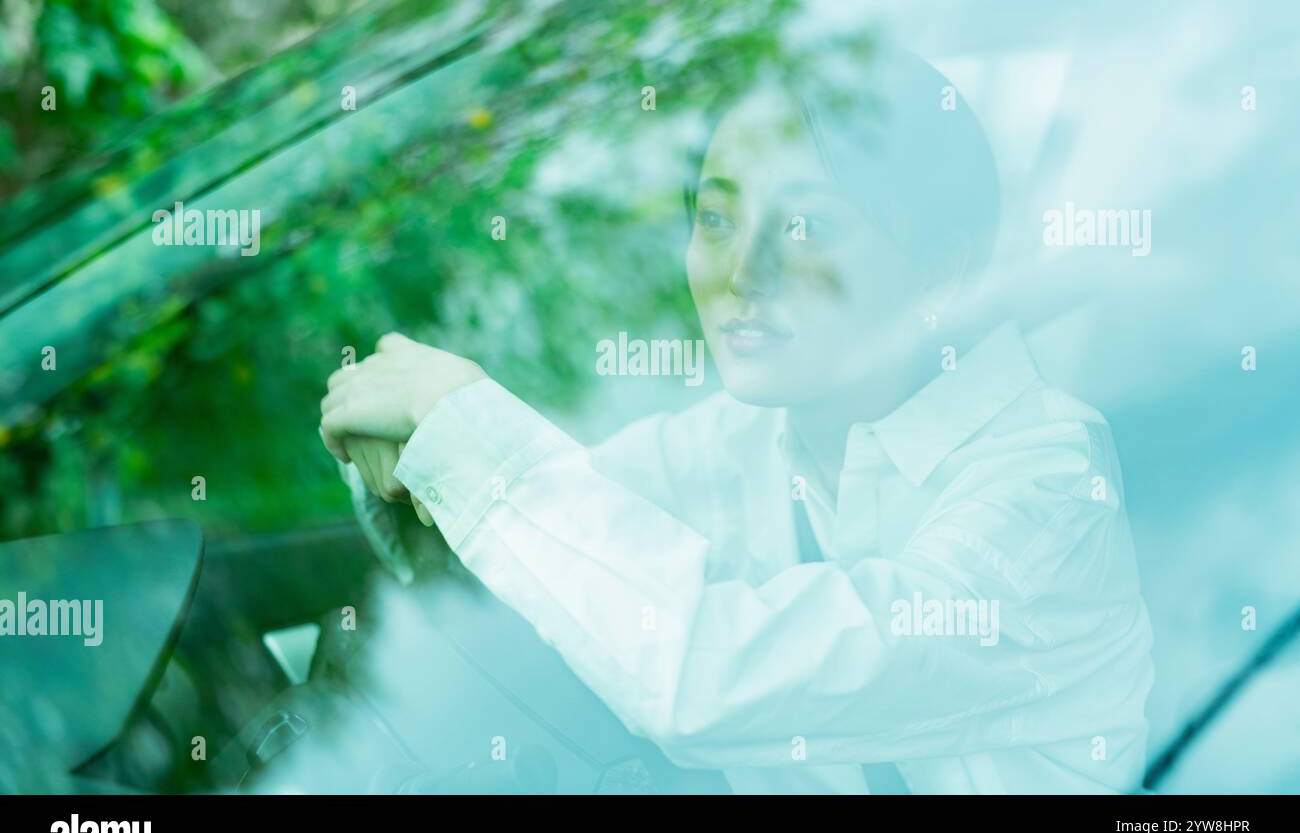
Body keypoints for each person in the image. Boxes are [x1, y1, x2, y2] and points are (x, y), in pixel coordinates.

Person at [319, 47, 1155, 794]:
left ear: (941, 272)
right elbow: (548, 547)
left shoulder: (1048, 491)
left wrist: (462, 433)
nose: (740, 272)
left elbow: (707, 676)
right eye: (716, 219)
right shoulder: (735, 445)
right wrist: (403, 445)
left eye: (805, 226)